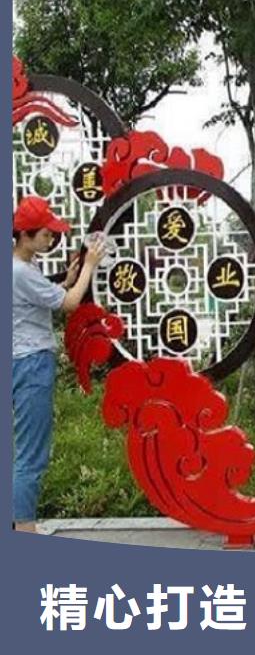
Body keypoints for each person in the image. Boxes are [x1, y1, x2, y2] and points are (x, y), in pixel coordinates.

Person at [12, 196, 105, 533]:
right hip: (31, 365)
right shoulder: (22, 272)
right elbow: (69, 304)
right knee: (31, 455)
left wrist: (67, 279)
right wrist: (90, 265)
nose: (51, 239)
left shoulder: (21, 266)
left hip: (17, 360)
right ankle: (25, 532)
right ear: (25, 235)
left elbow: (41, 297)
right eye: (46, 234)